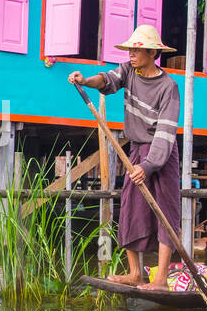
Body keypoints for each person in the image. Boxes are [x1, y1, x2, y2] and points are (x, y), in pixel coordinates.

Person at [69, 25, 182, 291]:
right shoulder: (129, 71)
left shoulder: (169, 87)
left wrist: (149, 165)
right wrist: (85, 81)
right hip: (136, 151)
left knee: (165, 211)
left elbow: (165, 132)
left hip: (160, 155)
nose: (131, 54)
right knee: (132, 207)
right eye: (130, 49)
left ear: (152, 52)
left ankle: (161, 280)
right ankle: (135, 274)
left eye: (137, 49)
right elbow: (107, 80)